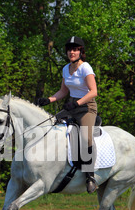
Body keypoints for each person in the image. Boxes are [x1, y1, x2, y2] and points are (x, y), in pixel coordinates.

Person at [36, 36, 98, 193]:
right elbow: (63, 91)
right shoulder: (65, 69)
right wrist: (48, 100)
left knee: (85, 137)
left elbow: (94, 92)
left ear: (80, 51)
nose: (72, 52)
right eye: (70, 49)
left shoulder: (86, 68)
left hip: (87, 107)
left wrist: (77, 103)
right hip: (72, 106)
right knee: (50, 126)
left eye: (75, 49)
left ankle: (90, 176)